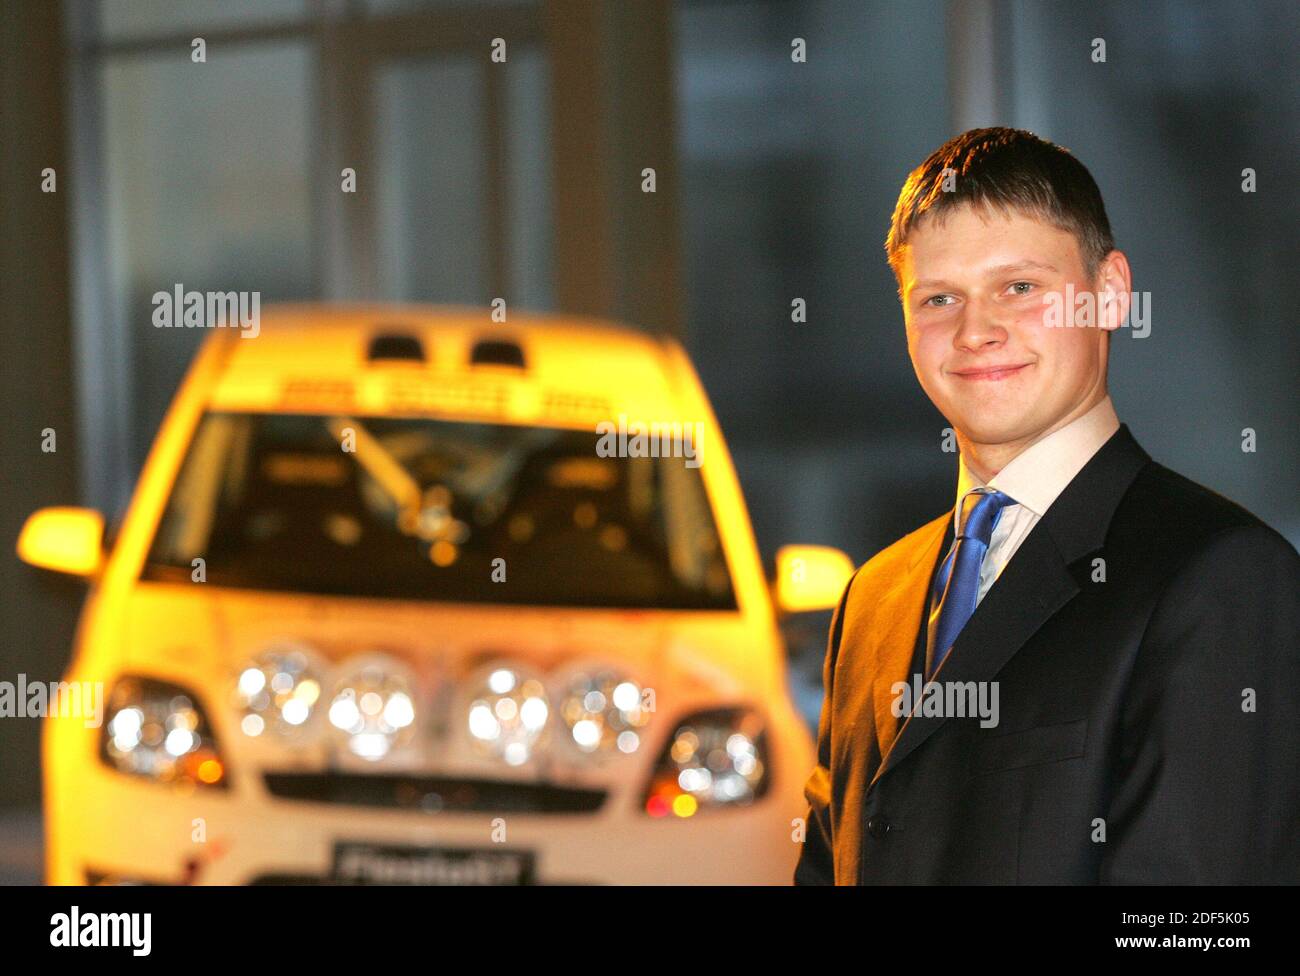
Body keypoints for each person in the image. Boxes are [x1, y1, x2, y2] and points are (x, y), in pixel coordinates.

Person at [793, 127, 1300, 884]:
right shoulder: (872, 601)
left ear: (1111, 294)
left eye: (1019, 288)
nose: (975, 330)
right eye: (938, 298)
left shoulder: (1221, 579)